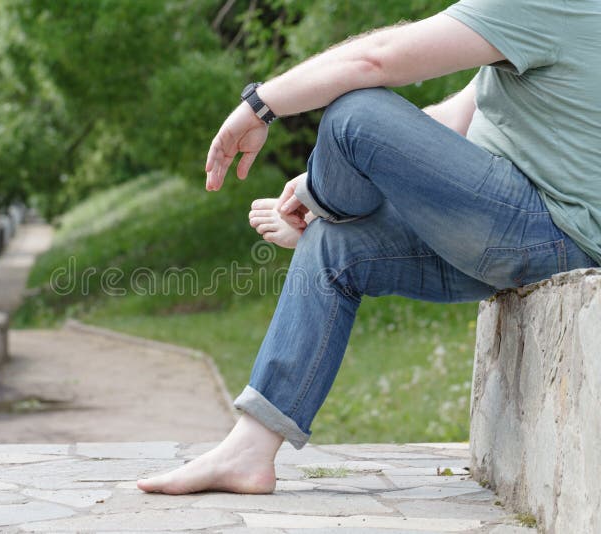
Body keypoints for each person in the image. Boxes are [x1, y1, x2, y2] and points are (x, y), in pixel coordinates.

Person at [138, 0, 601, 495]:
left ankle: (329, 206)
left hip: (544, 231)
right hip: (507, 231)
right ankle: (249, 451)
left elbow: (374, 59)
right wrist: (335, 178)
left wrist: (258, 104)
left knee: (354, 110)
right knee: (333, 243)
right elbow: (449, 118)